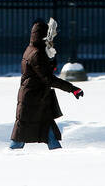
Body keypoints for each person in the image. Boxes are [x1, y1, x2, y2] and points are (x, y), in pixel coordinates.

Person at [10, 18, 82, 150]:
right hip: (33, 99)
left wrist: (51, 58)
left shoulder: (32, 49)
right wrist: (72, 89)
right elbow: (48, 78)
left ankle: (57, 153)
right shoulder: (37, 54)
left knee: (44, 129)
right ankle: (10, 155)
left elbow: (45, 71)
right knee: (21, 136)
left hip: (36, 98)